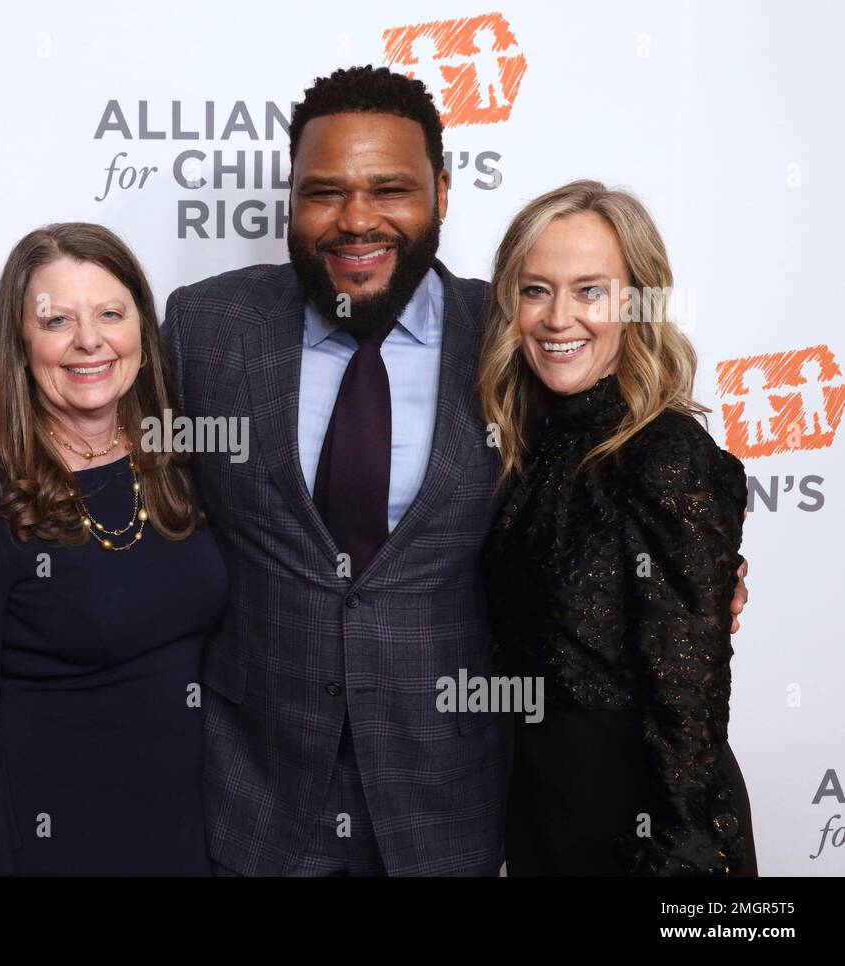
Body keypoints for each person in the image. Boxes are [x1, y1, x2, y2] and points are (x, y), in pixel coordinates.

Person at [163, 66, 748, 876]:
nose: (356, 219)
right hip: (254, 793)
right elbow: (132, 486)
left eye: (390, 188)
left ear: (441, 189)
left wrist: (693, 577)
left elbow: (602, 485)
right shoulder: (208, 326)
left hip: (448, 803)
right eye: (324, 191)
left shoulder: (514, 339)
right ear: (290, 200)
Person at [0, 223, 226, 875]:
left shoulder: (177, 460)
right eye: (56, 321)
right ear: (20, 342)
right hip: (53, 840)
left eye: (110, 313)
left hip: (187, 832)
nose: (89, 341)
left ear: (141, 329)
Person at [479, 180, 757, 875]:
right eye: (536, 289)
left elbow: (687, 699)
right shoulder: (534, 443)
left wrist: (681, 851)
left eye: (590, 291)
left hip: (641, 829)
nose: (557, 317)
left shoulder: (667, 455)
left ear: (638, 301)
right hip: (542, 812)